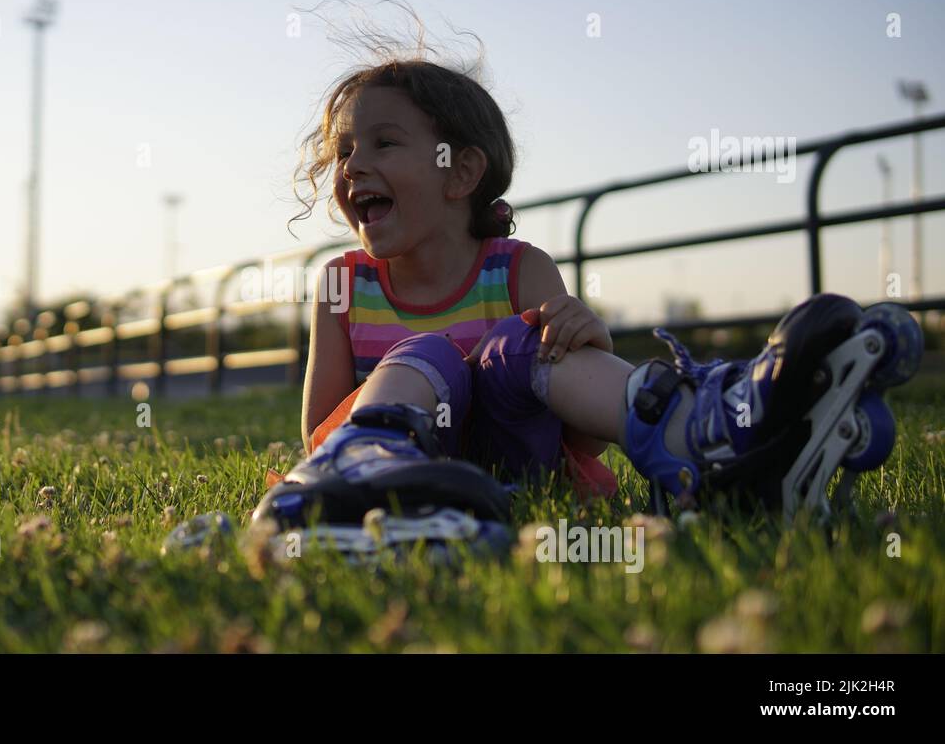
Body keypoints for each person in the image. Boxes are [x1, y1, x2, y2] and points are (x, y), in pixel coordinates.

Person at [251, 52, 919, 543]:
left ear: (463, 173)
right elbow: (317, 434)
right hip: (392, 467)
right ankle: (373, 473)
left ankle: (712, 436)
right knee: (425, 352)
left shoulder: (521, 270)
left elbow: (581, 443)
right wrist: (422, 378)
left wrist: (582, 339)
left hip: (516, 472)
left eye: (383, 143)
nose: (351, 166)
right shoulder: (344, 286)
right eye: (344, 151)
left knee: (529, 343)